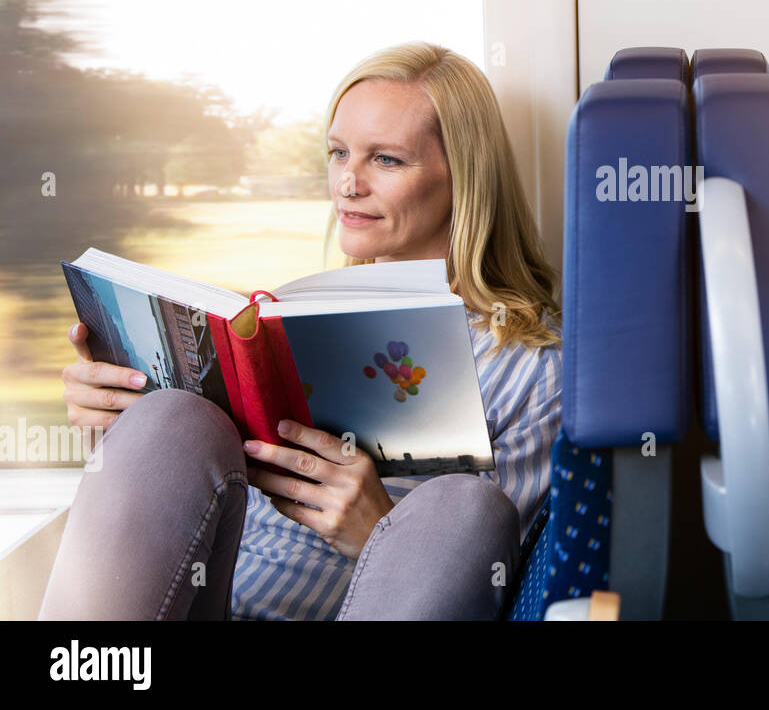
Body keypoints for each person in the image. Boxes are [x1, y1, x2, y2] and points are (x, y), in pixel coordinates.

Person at [40, 43, 562, 620]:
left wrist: (377, 531)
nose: (347, 183)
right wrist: (117, 428)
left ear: (465, 177)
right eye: (338, 153)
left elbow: (497, 588)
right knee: (170, 420)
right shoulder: (284, 321)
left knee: (465, 507)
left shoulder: (535, 370)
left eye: (385, 160)